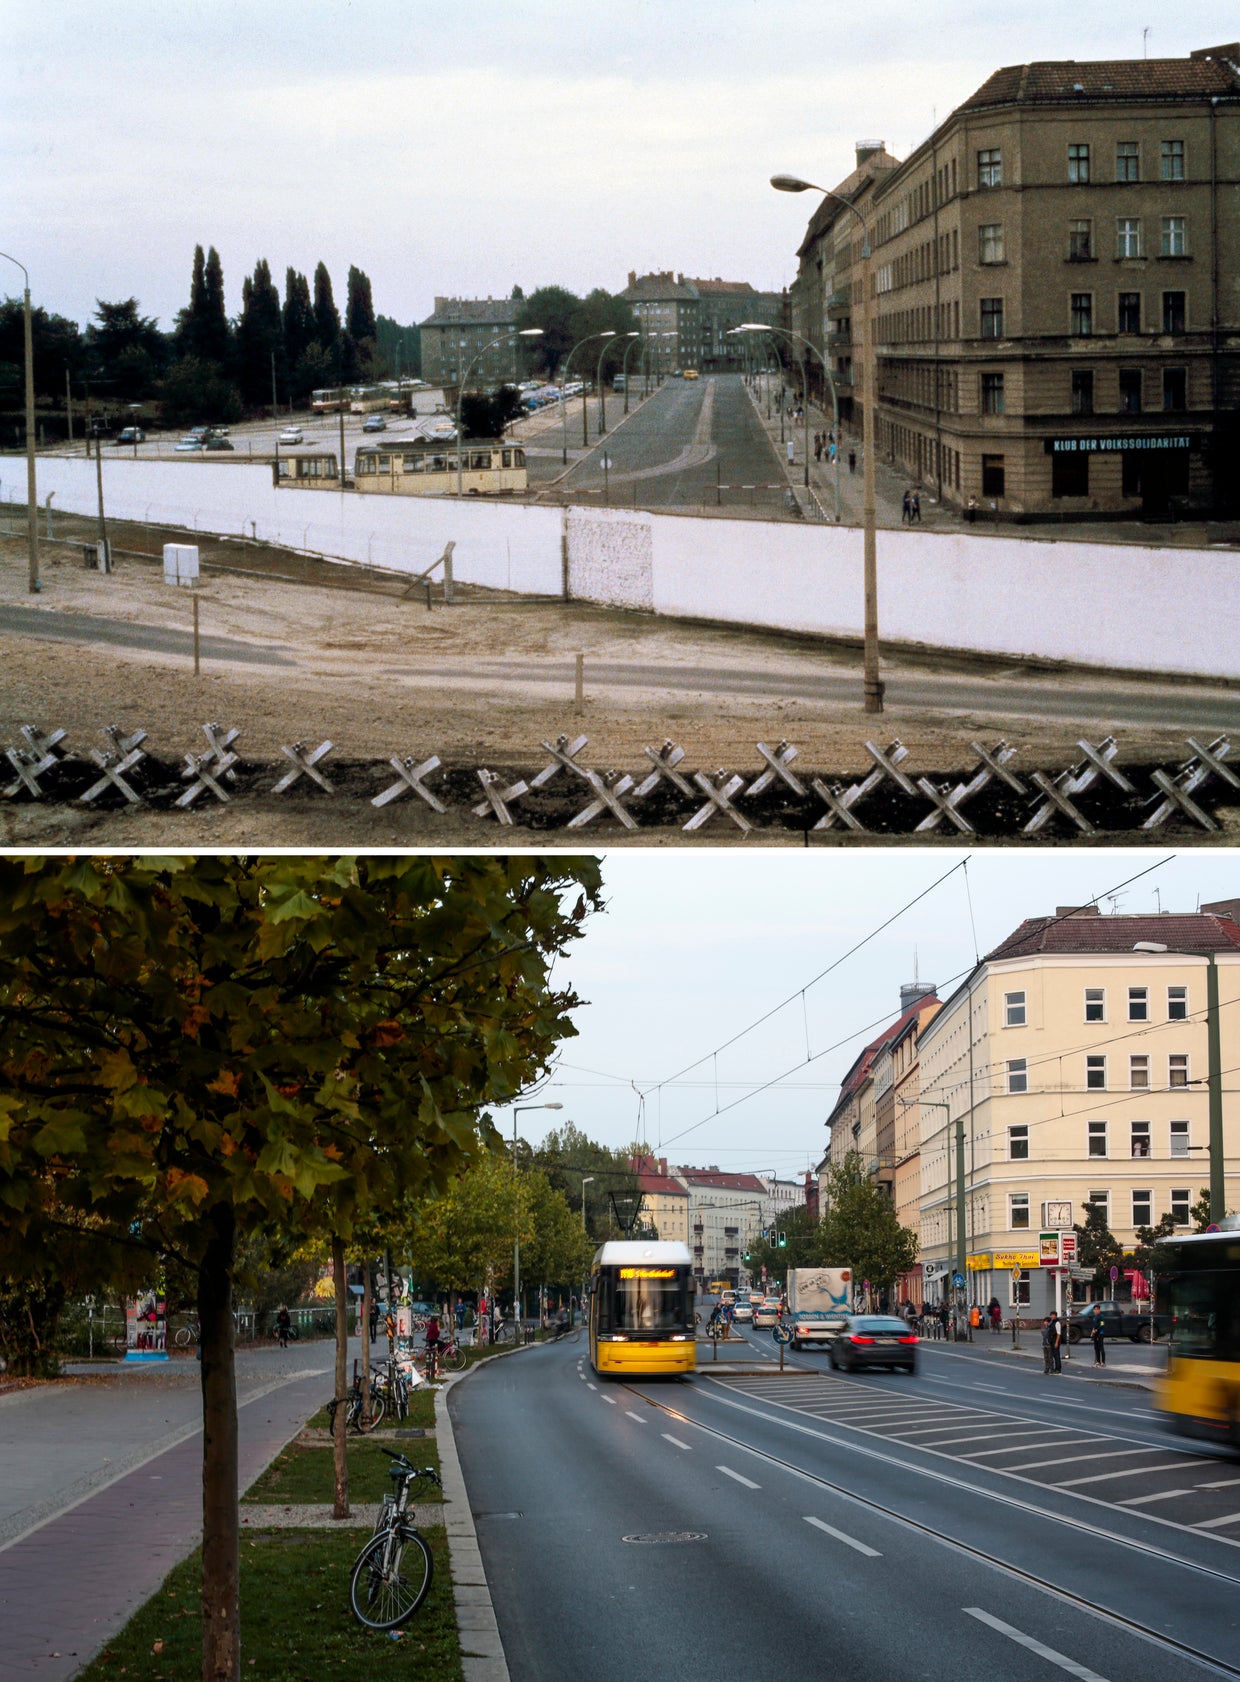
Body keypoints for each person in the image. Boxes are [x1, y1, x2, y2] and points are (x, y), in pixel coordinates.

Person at [1049, 1310, 1063, 1374]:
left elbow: (1058, 1333)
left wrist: (1056, 1342)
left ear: (1055, 1316)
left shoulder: (1057, 1323)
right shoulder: (1052, 1322)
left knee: (1057, 1355)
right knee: (1054, 1355)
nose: (1051, 1316)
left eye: (1053, 1315)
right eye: (1051, 1315)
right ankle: (1055, 1368)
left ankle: (1058, 1369)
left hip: (1055, 1340)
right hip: (1052, 1340)